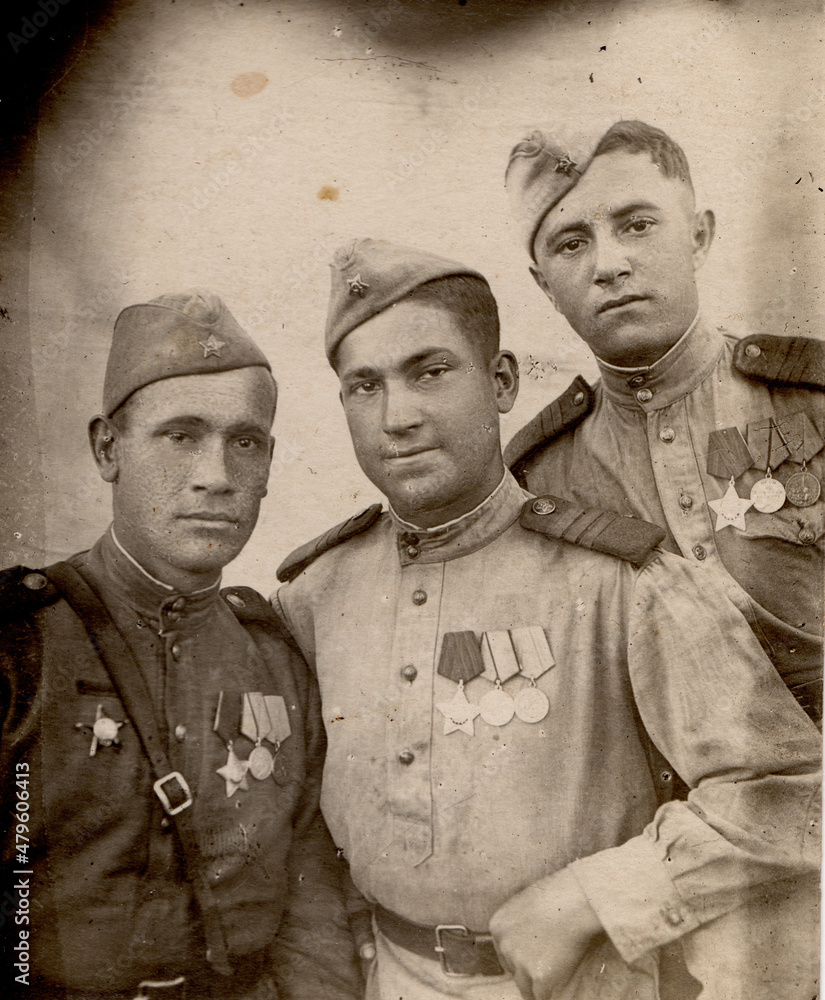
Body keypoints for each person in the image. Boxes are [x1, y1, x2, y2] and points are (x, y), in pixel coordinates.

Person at [272, 239, 821, 1000]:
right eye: (365, 386)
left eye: (431, 372)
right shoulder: (313, 594)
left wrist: (598, 896)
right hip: (384, 979)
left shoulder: (620, 578)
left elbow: (792, 787)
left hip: (581, 980)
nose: (397, 417)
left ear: (500, 381)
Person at [0, 292, 362, 1000]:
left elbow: (308, 902)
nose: (216, 477)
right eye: (180, 436)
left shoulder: (275, 656)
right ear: (108, 449)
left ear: (268, 463)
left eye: (245, 442)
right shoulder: (21, 644)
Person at [503, 119, 824, 722]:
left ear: (699, 237)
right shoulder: (537, 476)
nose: (609, 265)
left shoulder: (812, 402)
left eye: (638, 225)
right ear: (545, 286)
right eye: (571, 244)